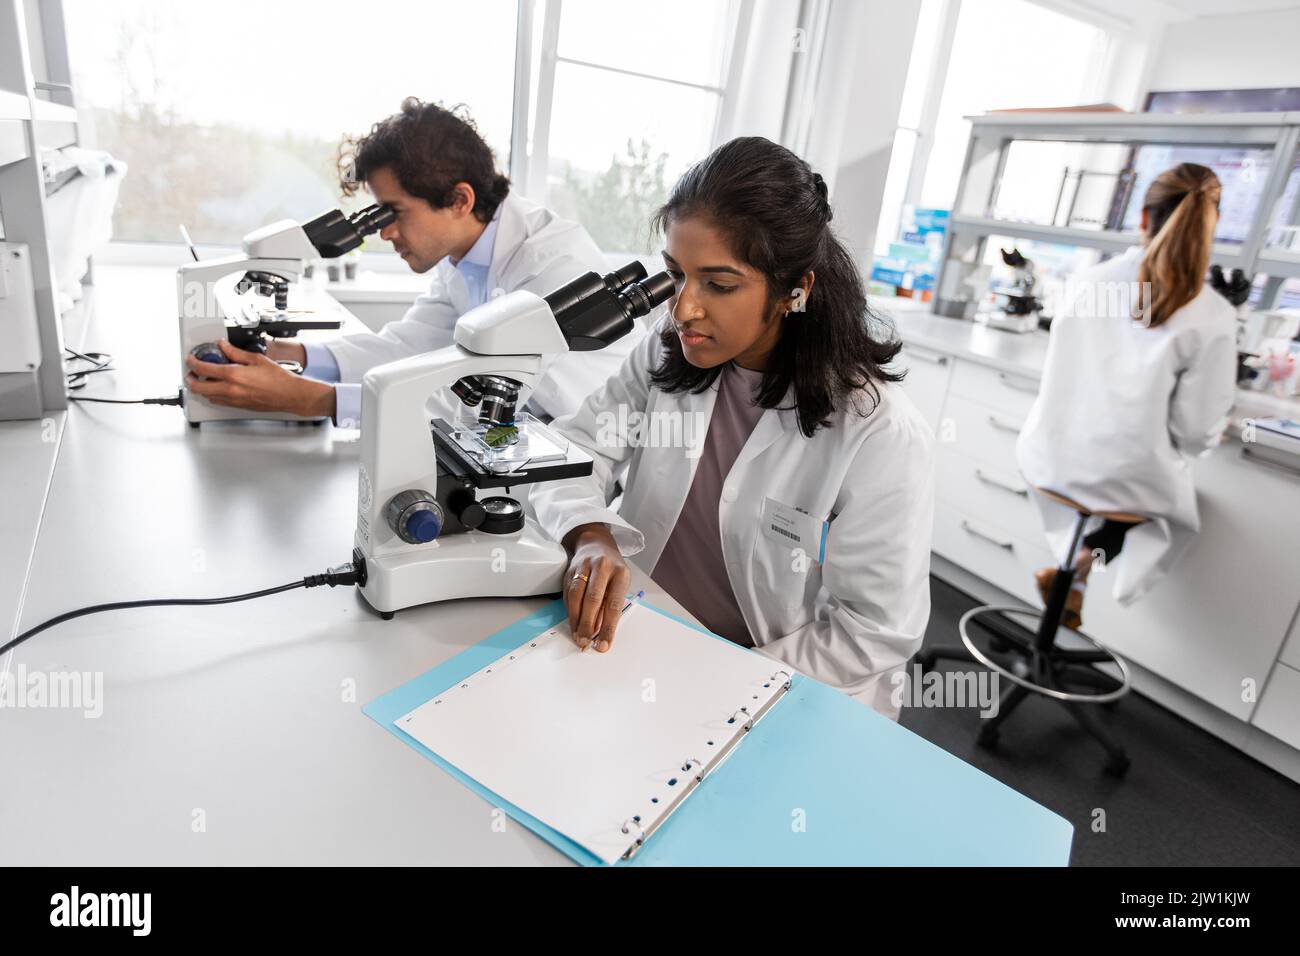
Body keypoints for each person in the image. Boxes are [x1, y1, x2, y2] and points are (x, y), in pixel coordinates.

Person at [528, 137, 935, 718]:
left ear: (795, 291)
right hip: (641, 638)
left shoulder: (878, 434)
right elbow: (571, 450)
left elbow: (873, 631)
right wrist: (589, 532)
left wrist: (719, 681)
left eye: (718, 285)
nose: (684, 308)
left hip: (775, 689)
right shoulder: (664, 353)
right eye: (675, 275)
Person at [185, 97, 638, 426]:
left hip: (561, 457)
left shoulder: (554, 267)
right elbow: (407, 348)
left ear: (460, 199)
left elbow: (477, 403)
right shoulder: (462, 254)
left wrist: (313, 400)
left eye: (394, 212)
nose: (383, 232)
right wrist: (289, 354)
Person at [1016, 162, 1238, 626]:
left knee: (1130, 490)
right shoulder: (1212, 313)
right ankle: (1079, 568)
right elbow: (1195, 434)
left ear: (1142, 218)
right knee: (1168, 507)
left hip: (1048, 457)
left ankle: (1072, 572)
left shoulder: (1088, 282)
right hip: (1120, 480)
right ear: (1211, 226)